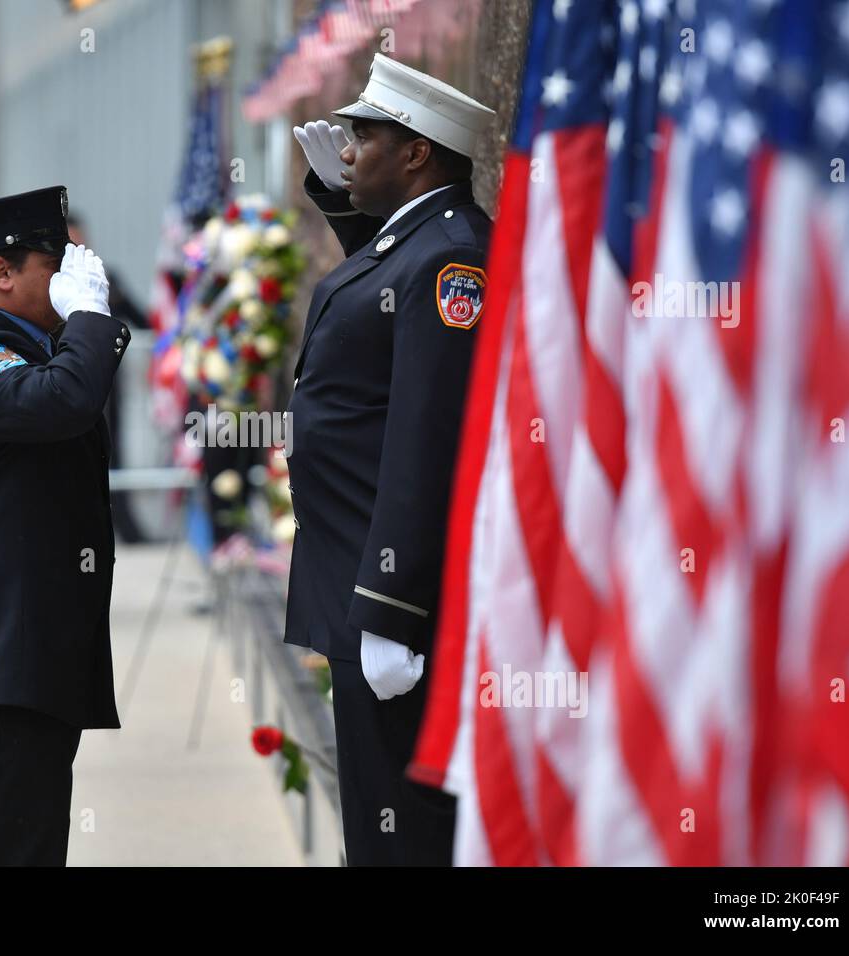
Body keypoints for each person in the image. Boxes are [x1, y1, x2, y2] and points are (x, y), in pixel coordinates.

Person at [284, 54, 495, 865]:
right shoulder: (422, 243)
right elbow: (377, 285)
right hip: (361, 588)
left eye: (365, 137)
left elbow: (425, 435)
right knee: (376, 817)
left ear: (416, 154)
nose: (347, 152)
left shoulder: (452, 263)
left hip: (397, 603)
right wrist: (344, 202)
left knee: (400, 832)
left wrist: (391, 607)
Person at [0, 186, 131, 866]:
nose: (70, 274)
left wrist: (92, 322)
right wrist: (90, 315)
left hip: (25, 672)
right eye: (54, 259)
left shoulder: (28, 347)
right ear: (1, 273)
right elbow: (65, 400)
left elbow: (82, 378)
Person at [66, 212, 149, 543]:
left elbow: (141, 318)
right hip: (63, 382)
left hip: (103, 385)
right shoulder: (52, 281)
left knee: (109, 450)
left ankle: (122, 522)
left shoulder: (103, 276)